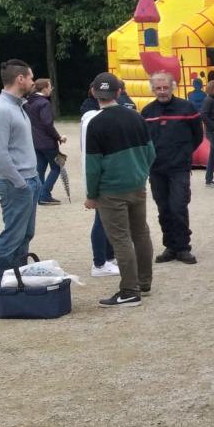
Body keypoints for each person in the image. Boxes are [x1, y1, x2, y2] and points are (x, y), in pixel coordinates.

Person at [83, 72, 156, 308]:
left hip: (111, 190)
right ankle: (144, 282)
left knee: (121, 238)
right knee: (141, 233)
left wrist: (91, 195)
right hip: (137, 184)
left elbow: (93, 165)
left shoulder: (95, 123)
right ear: (119, 92)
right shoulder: (136, 117)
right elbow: (151, 153)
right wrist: (141, 173)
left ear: (95, 93)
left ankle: (129, 290)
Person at [140, 71, 203, 265]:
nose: (162, 91)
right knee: (163, 208)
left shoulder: (187, 108)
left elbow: (197, 135)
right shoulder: (147, 112)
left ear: (172, 87)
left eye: (165, 87)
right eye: (158, 88)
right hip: (156, 169)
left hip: (179, 168)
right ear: (153, 89)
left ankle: (183, 247)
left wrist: (184, 153)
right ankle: (170, 246)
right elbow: (143, 140)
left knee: (178, 207)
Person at [0, 59, 41, 299]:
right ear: (20, 79)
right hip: (16, 182)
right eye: (31, 77)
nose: (33, 82)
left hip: (29, 179)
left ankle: (15, 279)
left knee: (25, 234)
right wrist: (20, 183)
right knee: (12, 236)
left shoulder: (18, 106)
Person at [80, 92, 119, 278]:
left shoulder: (90, 116)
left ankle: (108, 257)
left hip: (106, 174)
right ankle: (99, 262)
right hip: (103, 176)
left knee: (107, 220)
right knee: (101, 220)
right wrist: (91, 192)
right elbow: (91, 159)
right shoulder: (91, 118)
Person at [24, 78, 66, 206]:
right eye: (50, 86)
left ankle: (38, 195)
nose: (51, 89)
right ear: (44, 89)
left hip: (35, 142)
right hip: (47, 143)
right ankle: (45, 194)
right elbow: (48, 124)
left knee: (40, 169)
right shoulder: (44, 103)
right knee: (57, 167)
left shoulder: (28, 102)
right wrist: (58, 137)